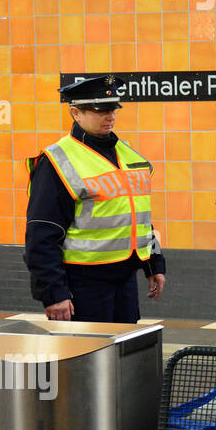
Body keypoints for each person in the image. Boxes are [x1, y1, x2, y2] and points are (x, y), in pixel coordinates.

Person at [24, 76, 167, 322]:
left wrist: (154, 264)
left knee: (123, 353)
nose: (110, 116)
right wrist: (54, 293)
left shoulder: (127, 153)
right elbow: (42, 235)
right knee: (88, 356)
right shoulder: (57, 161)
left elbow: (139, 217)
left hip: (124, 280)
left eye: (112, 109)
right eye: (100, 110)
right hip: (83, 284)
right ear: (75, 113)